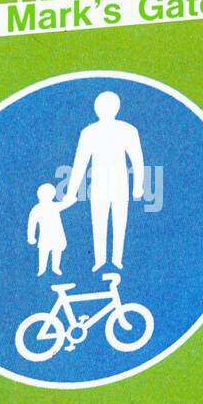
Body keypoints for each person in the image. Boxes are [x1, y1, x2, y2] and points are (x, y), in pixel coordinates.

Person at [61, 91, 145, 271]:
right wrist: (71, 192)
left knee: (119, 221)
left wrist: (138, 186)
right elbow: (80, 164)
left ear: (117, 108)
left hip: (120, 184)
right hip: (98, 185)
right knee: (98, 222)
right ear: (96, 109)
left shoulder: (128, 130)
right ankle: (99, 260)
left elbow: (137, 160)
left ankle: (117, 259)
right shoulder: (89, 132)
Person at [26, 182, 77, 276]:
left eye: (49, 194)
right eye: (45, 194)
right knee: (43, 252)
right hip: (45, 235)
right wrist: (31, 237)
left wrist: (72, 200)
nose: (47, 197)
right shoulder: (37, 209)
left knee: (57, 250)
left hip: (57, 234)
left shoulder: (54, 206)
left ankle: (55, 268)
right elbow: (31, 224)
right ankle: (42, 269)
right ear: (40, 195)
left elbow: (65, 204)